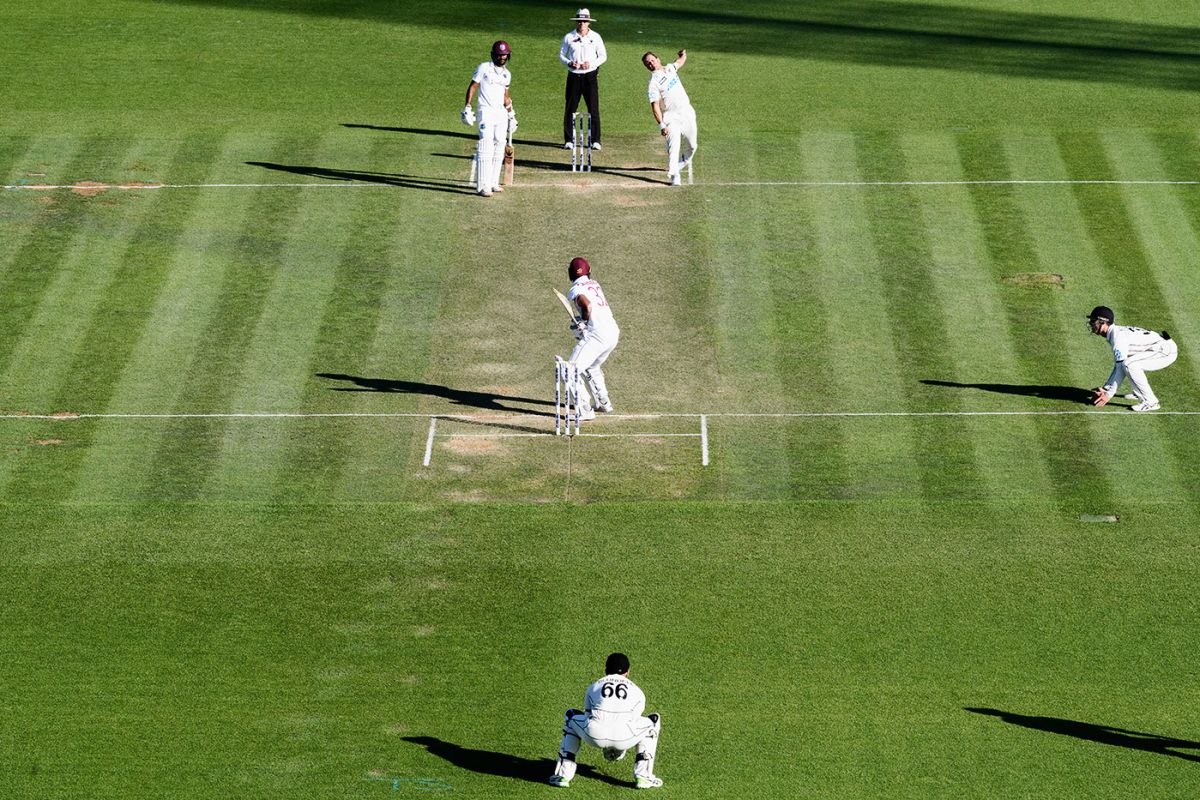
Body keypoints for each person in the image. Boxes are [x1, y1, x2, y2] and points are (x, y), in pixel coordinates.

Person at [549, 652, 663, 789]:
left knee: (571, 716)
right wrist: (619, 747)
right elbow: (634, 721)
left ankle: (563, 775)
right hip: (625, 737)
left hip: (594, 735)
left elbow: (588, 715)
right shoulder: (637, 690)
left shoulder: (594, 686)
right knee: (653, 721)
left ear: (606, 670)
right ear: (628, 672)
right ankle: (643, 777)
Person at [1086, 305, 1178, 411]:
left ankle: (1151, 402)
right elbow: (1118, 365)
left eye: (1093, 321)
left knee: (1129, 364)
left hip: (1165, 351)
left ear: (1103, 322)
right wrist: (1106, 388)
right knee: (1128, 363)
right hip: (1158, 348)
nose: (1091, 324)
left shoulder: (1117, 338)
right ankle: (1139, 393)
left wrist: (1108, 394)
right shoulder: (1115, 333)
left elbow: (1120, 367)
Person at [565, 257, 619, 421]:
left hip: (597, 335)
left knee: (569, 371)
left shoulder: (575, 289)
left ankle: (585, 409)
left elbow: (586, 305)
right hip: (612, 332)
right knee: (592, 366)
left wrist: (584, 323)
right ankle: (603, 402)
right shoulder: (594, 284)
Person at [463, 40, 517, 197]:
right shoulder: (484, 68)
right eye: (500, 55)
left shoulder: (507, 74)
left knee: (500, 144)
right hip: (485, 111)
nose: (502, 58)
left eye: (505, 55)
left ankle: (493, 182)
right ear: (494, 55)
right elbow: (473, 86)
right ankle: (482, 186)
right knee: (486, 144)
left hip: (500, 112)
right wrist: (467, 106)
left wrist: (511, 114)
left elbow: (505, 96)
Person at [643, 49, 697, 186]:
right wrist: (662, 124)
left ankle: (682, 162)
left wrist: (683, 55)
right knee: (674, 146)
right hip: (671, 117)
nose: (651, 64)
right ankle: (674, 175)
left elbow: (679, 62)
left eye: (652, 61)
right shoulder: (653, 83)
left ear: (658, 59)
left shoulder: (669, 68)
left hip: (686, 111)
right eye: (648, 64)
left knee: (692, 146)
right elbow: (655, 106)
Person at [559, 8, 606, 151]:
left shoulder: (596, 37)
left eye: (584, 21)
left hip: (590, 77)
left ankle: (595, 140)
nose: (582, 23)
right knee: (570, 108)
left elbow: (603, 56)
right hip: (574, 76)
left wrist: (590, 64)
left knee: (593, 108)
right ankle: (568, 140)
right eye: (579, 21)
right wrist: (569, 63)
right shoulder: (569, 37)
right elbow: (561, 55)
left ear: (588, 23)